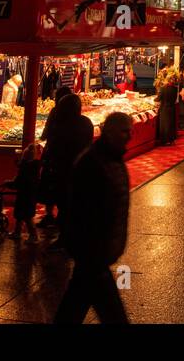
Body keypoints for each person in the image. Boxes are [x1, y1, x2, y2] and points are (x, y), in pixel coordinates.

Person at [54, 112, 134, 324]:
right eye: (124, 131)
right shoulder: (93, 163)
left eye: (130, 131)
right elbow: (84, 209)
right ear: (109, 131)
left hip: (95, 252)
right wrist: (95, 246)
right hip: (93, 250)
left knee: (75, 304)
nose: (129, 136)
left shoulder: (111, 159)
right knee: (111, 313)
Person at [39, 92, 94, 238]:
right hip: (80, 168)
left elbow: (52, 143)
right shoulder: (86, 123)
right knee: (73, 201)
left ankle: (64, 234)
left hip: (61, 169)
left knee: (62, 199)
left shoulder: (61, 124)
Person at [7, 142, 42, 243]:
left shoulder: (25, 168)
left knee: (25, 216)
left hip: (24, 194)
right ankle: (17, 232)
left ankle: (33, 235)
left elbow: (19, 181)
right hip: (30, 194)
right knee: (22, 214)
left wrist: (10, 183)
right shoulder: (35, 167)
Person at [155, 71, 179, 146]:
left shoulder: (163, 88)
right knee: (170, 124)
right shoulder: (175, 89)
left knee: (164, 125)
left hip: (164, 109)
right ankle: (171, 139)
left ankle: (164, 141)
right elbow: (175, 99)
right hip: (172, 108)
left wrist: (154, 99)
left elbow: (158, 99)